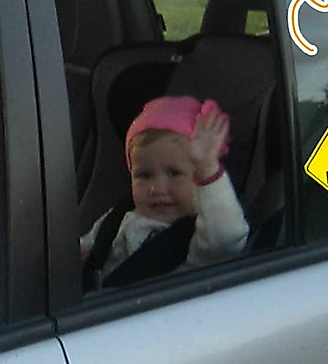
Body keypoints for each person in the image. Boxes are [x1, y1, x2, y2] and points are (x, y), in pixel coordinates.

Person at [81, 94, 248, 290]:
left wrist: (208, 169)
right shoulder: (118, 217)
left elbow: (226, 240)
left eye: (174, 173)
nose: (156, 188)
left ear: (200, 182)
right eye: (144, 175)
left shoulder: (197, 238)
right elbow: (86, 246)